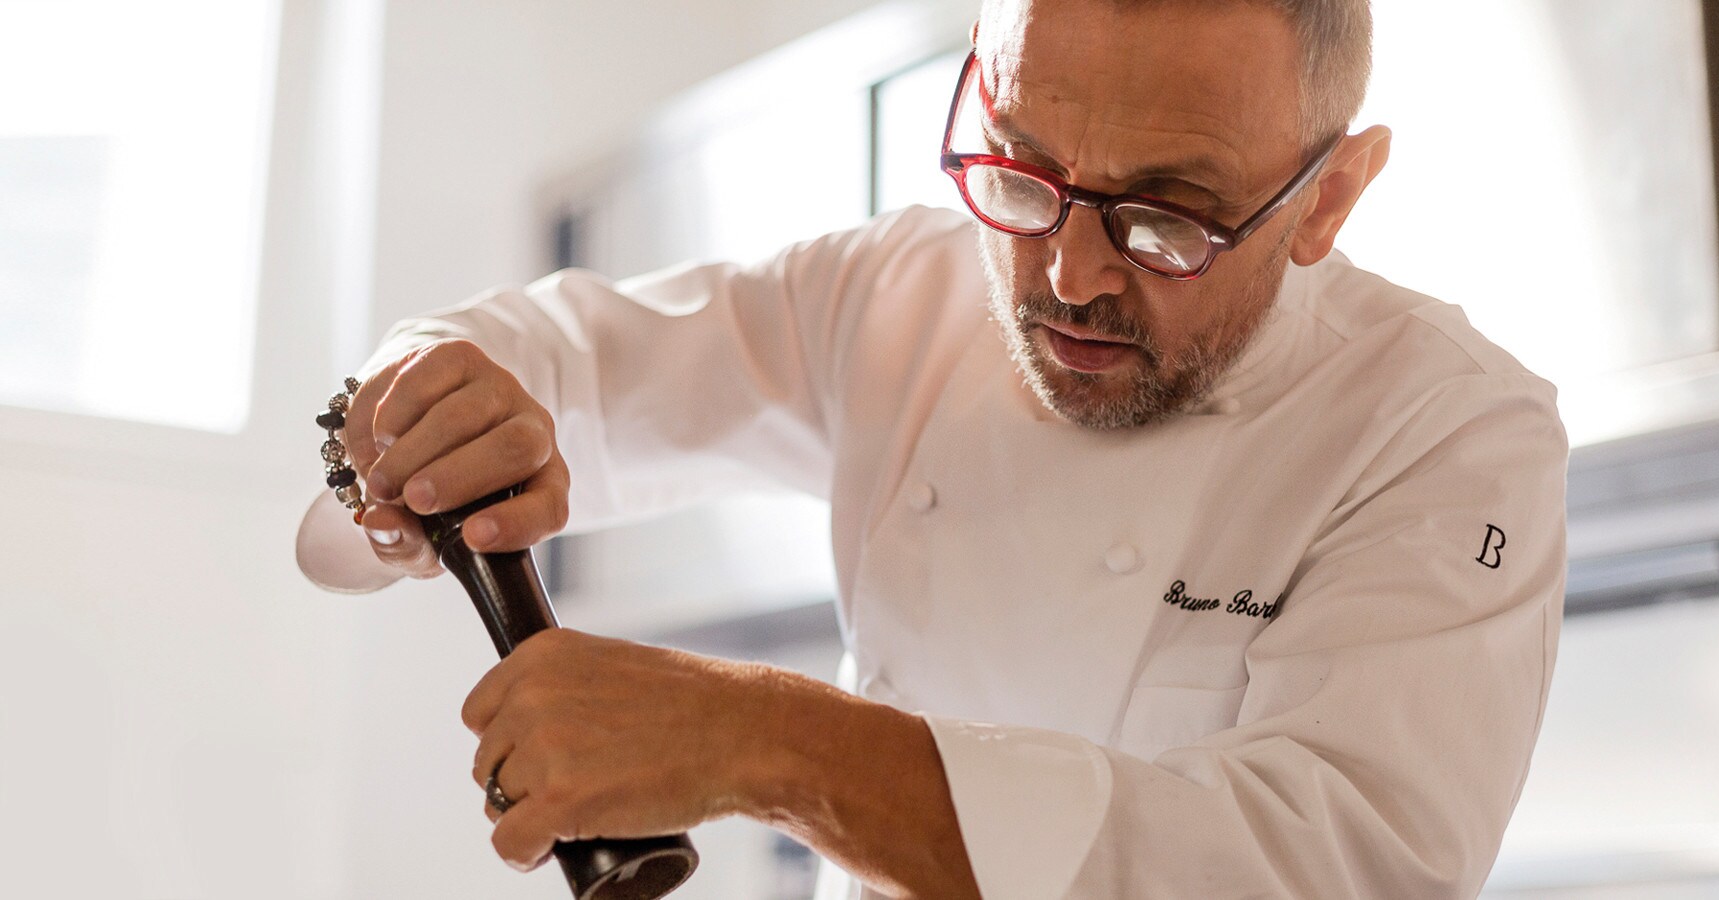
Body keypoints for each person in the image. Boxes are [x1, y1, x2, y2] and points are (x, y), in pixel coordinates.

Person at [296, 0, 1568, 896]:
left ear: (1328, 199)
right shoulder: (897, 296)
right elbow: (552, 356)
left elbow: (1315, 872)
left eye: (1166, 218)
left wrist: (766, 745)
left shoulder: (1447, 432)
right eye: (1019, 172)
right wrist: (420, 402)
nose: (1068, 274)